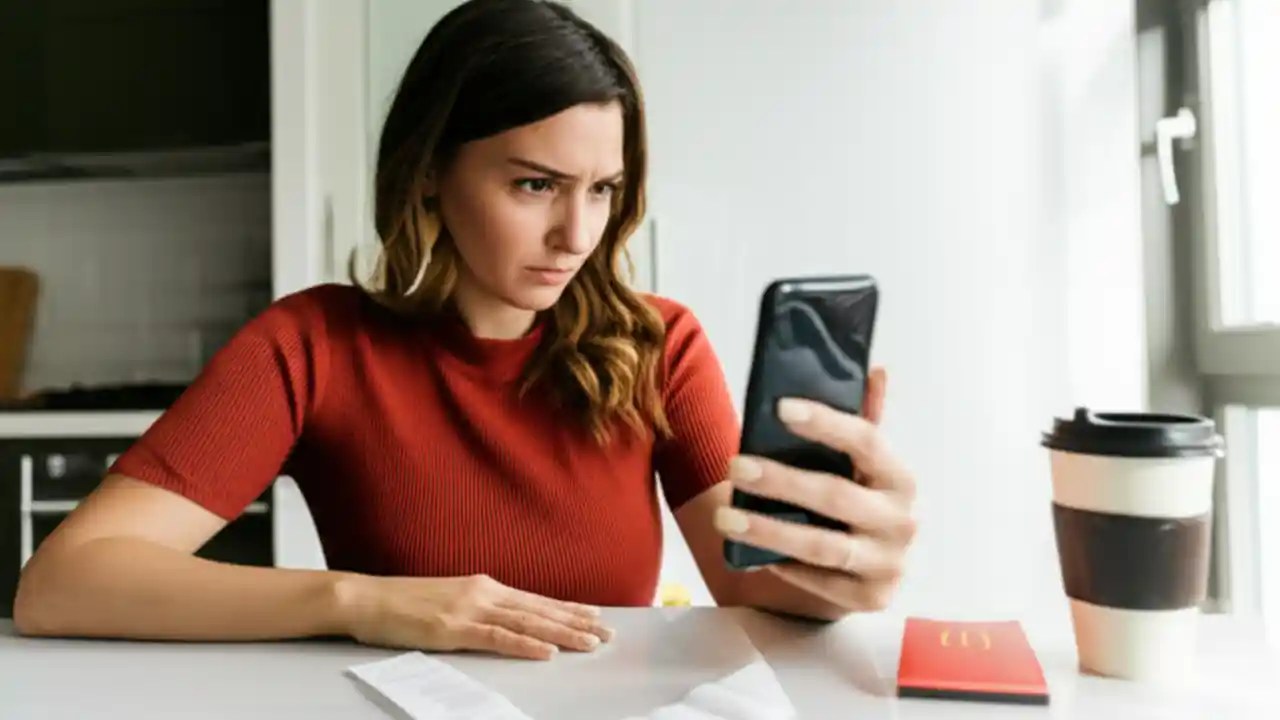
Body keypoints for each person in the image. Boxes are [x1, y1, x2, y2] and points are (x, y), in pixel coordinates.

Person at [13, 0, 917, 661]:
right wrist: (360, 601)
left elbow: (751, 586)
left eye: (600, 189)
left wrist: (841, 567)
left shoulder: (658, 345)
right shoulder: (313, 346)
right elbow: (63, 583)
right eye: (535, 185)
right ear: (430, 174)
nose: (577, 235)